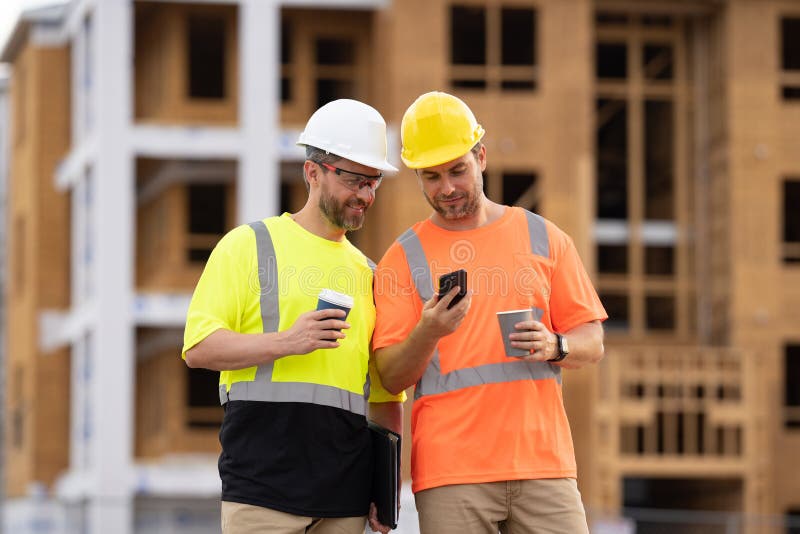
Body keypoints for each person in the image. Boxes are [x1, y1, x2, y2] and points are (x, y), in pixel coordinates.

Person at [373, 91, 607, 534]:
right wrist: (428, 331)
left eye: (457, 170)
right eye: (431, 176)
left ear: (481, 156)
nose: (447, 188)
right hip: (451, 473)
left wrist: (556, 344)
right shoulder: (402, 258)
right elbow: (389, 377)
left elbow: (592, 340)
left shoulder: (544, 237)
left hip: (544, 465)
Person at [183, 99, 405, 534]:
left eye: (374, 182)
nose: (366, 194)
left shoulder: (371, 274)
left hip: (347, 497)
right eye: (356, 179)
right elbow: (198, 347)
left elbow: (383, 395)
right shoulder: (248, 245)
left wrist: (386, 486)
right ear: (313, 172)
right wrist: (287, 341)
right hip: (262, 490)